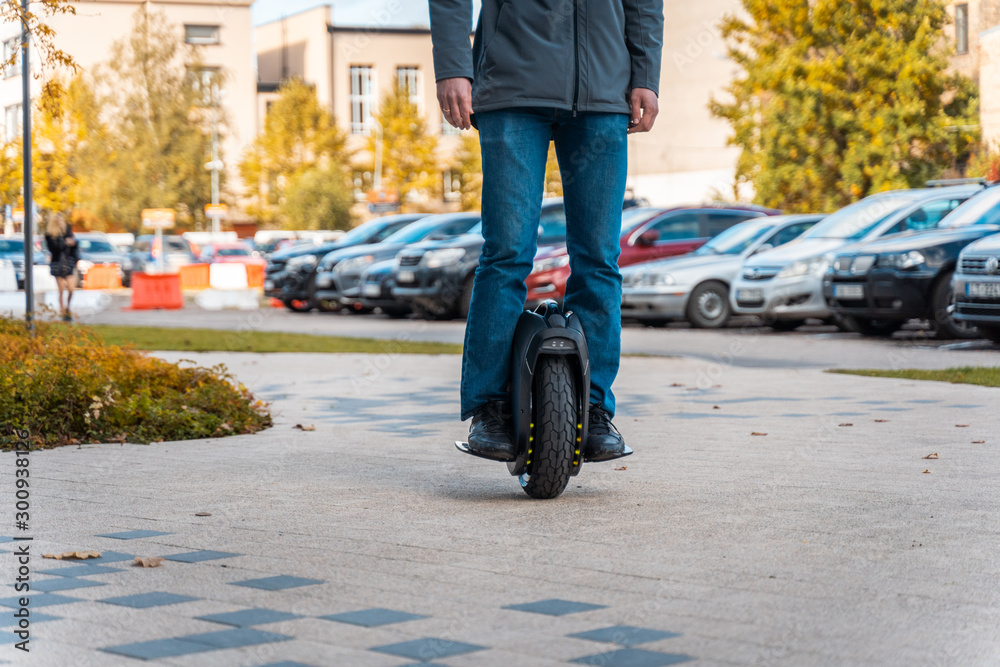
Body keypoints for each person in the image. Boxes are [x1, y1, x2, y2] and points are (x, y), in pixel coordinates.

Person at [429, 0, 664, 462]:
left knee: (599, 259)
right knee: (507, 254)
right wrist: (454, 66)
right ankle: (490, 408)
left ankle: (594, 408)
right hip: (512, 87)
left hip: (603, 92)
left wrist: (645, 76)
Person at [44, 212, 79, 322]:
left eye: (61, 221)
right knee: (61, 289)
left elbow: (75, 245)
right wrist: (65, 243)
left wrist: (73, 243)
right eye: (58, 221)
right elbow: (53, 249)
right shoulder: (50, 235)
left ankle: (68, 307)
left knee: (71, 288)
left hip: (68, 262)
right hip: (57, 263)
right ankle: (63, 311)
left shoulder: (67, 232)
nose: (60, 223)